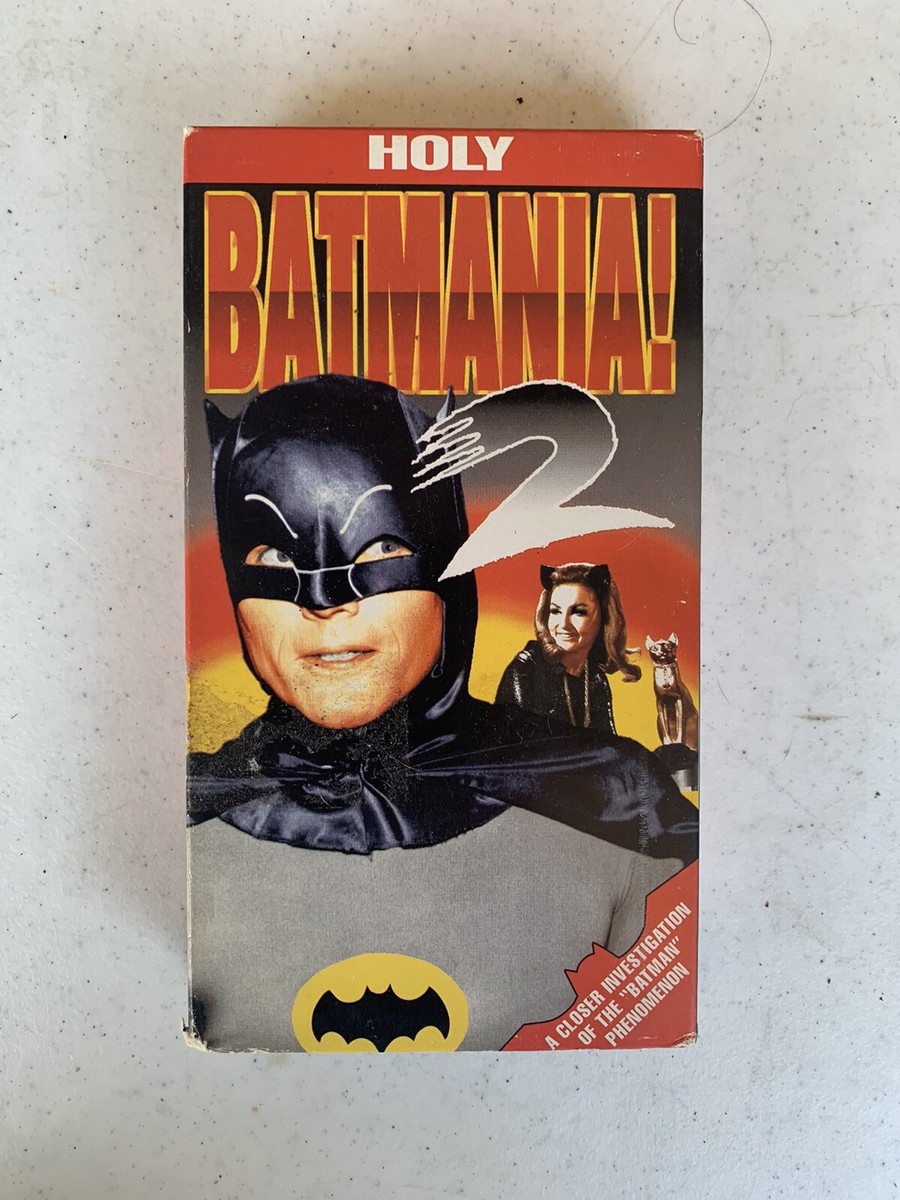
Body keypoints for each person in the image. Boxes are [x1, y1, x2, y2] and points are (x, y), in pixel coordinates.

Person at [187, 374, 698, 1051]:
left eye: (381, 548)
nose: (325, 603)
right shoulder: (178, 829)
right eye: (276, 556)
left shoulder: (619, 802)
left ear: (447, 568)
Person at [496, 563, 640, 735]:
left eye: (578, 612)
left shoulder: (595, 679)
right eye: (555, 611)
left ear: (605, 617)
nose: (563, 624)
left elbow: (610, 744)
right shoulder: (525, 669)